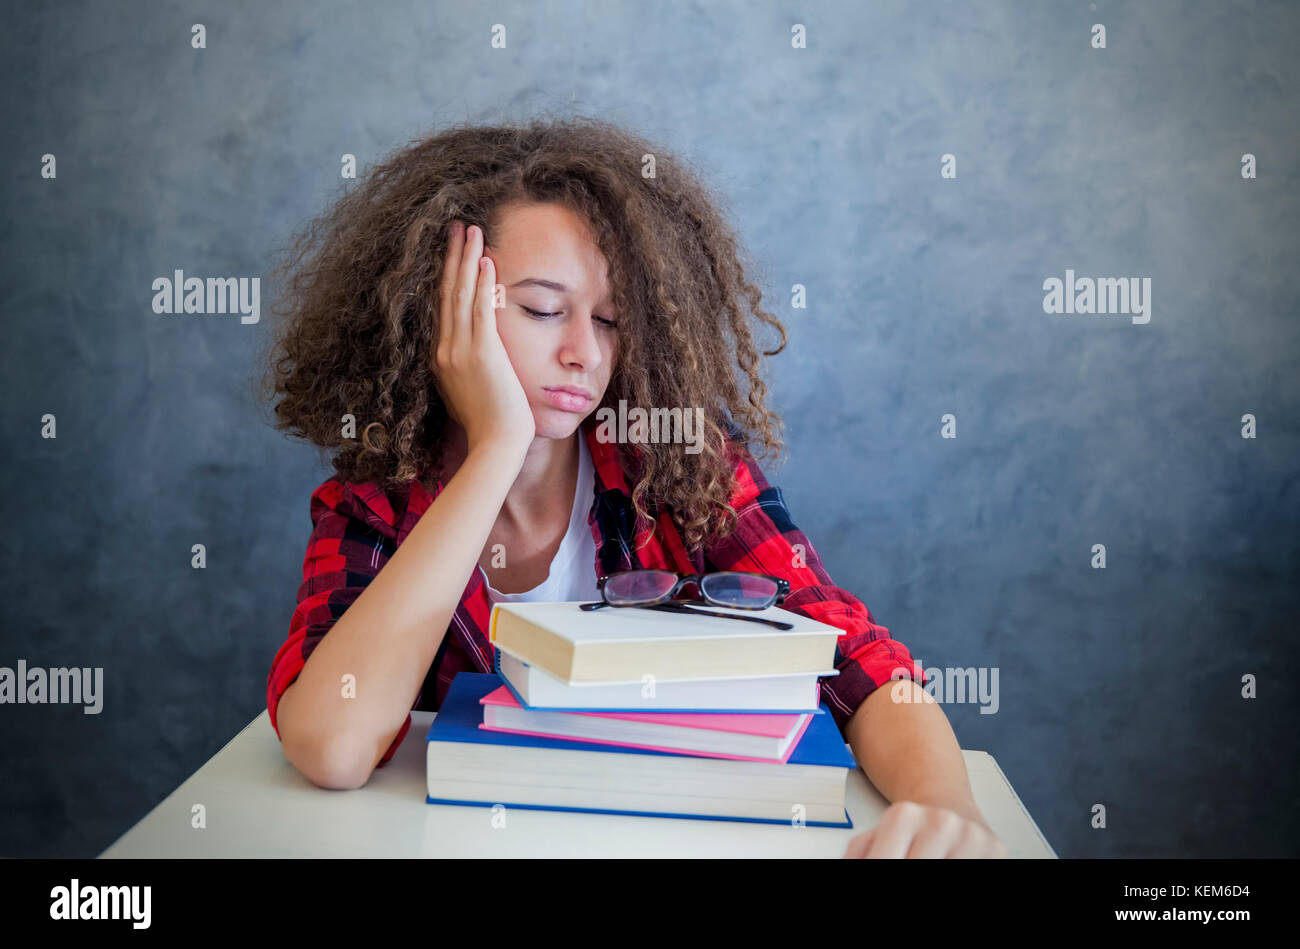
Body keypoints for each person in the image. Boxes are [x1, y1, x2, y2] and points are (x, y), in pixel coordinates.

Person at [259, 116, 1006, 858]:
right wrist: (496, 447)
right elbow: (333, 745)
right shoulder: (375, 504)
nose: (584, 352)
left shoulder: (680, 469)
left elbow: (862, 665)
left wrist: (944, 809)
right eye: (543, 310)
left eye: (611, 320)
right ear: (440, 310)